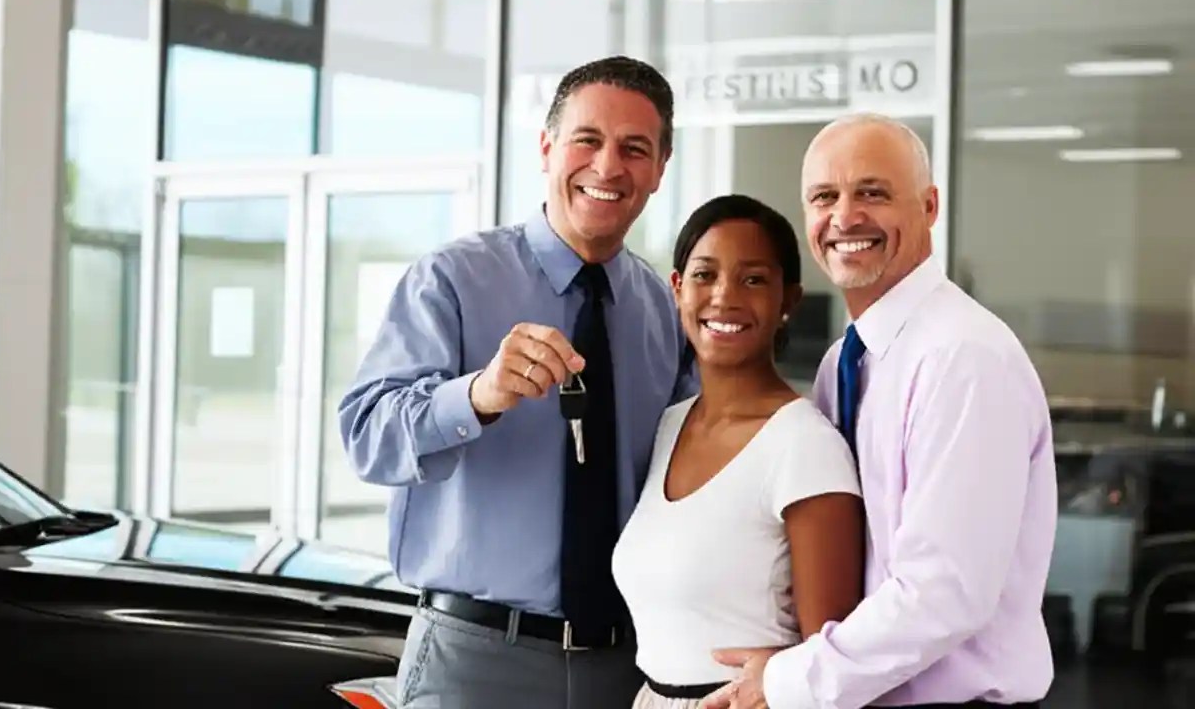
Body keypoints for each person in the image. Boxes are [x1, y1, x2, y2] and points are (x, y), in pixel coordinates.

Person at [337, 55, 697, 709]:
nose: (608, 166)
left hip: (625, 666)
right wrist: (475, 396)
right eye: (587, 139)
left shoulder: (665, 313)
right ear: (546, 147)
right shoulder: (451, 279)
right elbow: (365, 435)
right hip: (475, 663)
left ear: (659, 170)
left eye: (635, 149)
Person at [700, 113, 1058, 709]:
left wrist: (791, 679)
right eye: (824, 197)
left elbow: (943, 593)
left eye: (872, 192)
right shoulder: (845, 361)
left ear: (929, 207)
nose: (844, 218)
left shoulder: (961, 359)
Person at [612, 194, 866, 709]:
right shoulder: (670, 425)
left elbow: (831, 663)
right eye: (705, 275)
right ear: (678, 288)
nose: (724, 297)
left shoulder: (804, 445)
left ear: (788, 299)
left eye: (753, 279)